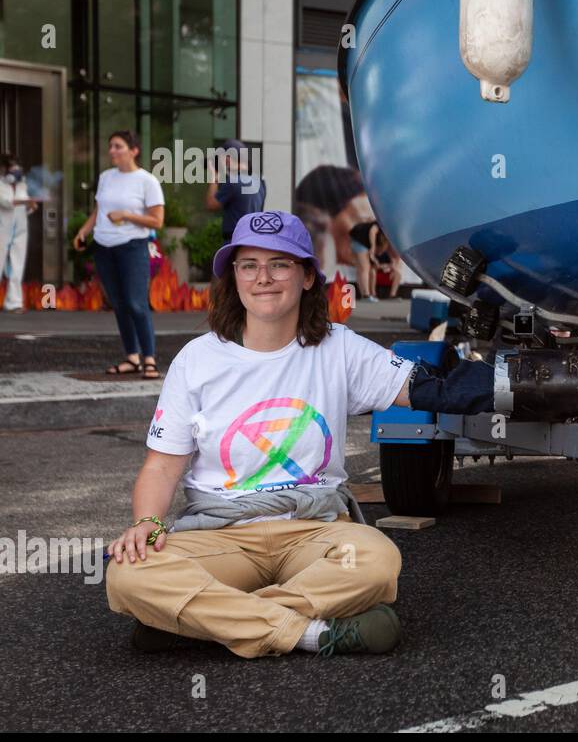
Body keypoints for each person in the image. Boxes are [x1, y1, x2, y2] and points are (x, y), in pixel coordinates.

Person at [104, 210, 495, 658]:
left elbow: (422, 387)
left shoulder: (338, 346)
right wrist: (147, 523)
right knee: (129, 573)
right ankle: (310, 633)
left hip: (314, 527)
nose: (263, 277)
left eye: (280, 264)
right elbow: (160, 465)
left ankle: (203, 623)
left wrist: (518, 383)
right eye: (248, 265)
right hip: (219, 532)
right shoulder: (197, 360)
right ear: (234, 278)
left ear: (307, 276)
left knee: (377, 561)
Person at [72, 131, 165, 379]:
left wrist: (126, 215)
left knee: (136, 303)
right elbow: (99, 210)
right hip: (104, 247)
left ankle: (150, 360)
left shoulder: (147, 181)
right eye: (111, 146)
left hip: (132, 246)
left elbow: (157, 221)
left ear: (133, 150)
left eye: (118, 146)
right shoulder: (106, 177)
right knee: (119, 304)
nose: (112, 150)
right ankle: (132, 358)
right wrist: (83, 231)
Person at [205, 138, 267, 246]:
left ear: (228, 159)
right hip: (254, 242)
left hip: (235, 243)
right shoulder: (260, 182)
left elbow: (210, 205)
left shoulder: (233, 182)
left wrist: (214, 178)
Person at [0, 153, 37, 313]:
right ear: (4, 168)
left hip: (20, 228)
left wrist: (31, 206)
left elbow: (24, 206)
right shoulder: (1, 185)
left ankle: (14, 302)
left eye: (17, 166)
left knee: (17, 264)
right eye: (13, 166)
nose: (17, 169)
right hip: (2, 228)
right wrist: (25, 201)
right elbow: (7, 203)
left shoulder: (22, 184)